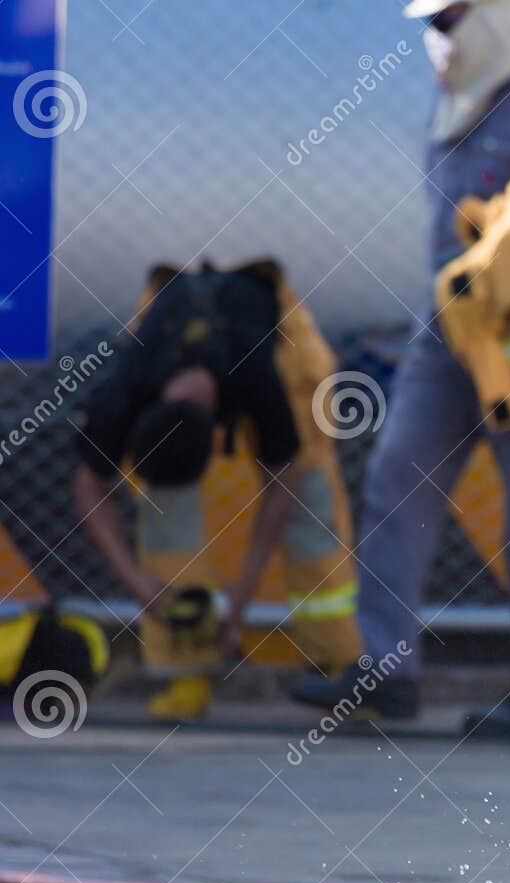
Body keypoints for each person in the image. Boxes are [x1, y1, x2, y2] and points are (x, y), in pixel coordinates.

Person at [293, 0, 510, 739]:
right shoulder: (455, 104)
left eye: (451, 20)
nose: (438, 38)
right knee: (398, 479)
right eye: (433, 23)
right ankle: (386, 672)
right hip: (446, 327)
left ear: (490, 17)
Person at [72, 261, 362, 721]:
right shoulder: (128, 386)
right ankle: (186, 672)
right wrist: (137, 582)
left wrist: (244, 593)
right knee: (166, 522)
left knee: (310, 498)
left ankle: (342, 670)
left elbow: (281, 478)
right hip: (170, 312)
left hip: (272, 330)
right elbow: (88, 486)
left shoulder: (259, 380)